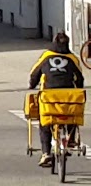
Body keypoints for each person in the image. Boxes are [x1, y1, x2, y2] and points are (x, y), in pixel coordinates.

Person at [29, 32, 85, 168]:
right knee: (72, 113)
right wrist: (78, 88)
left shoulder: (46, 56)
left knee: (45, 122)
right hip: (68, 96)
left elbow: (34, 73)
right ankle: (70, 140)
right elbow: (80, 78)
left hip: (49, 96)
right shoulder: (72, 58)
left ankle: (46, 153)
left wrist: (32, 85)